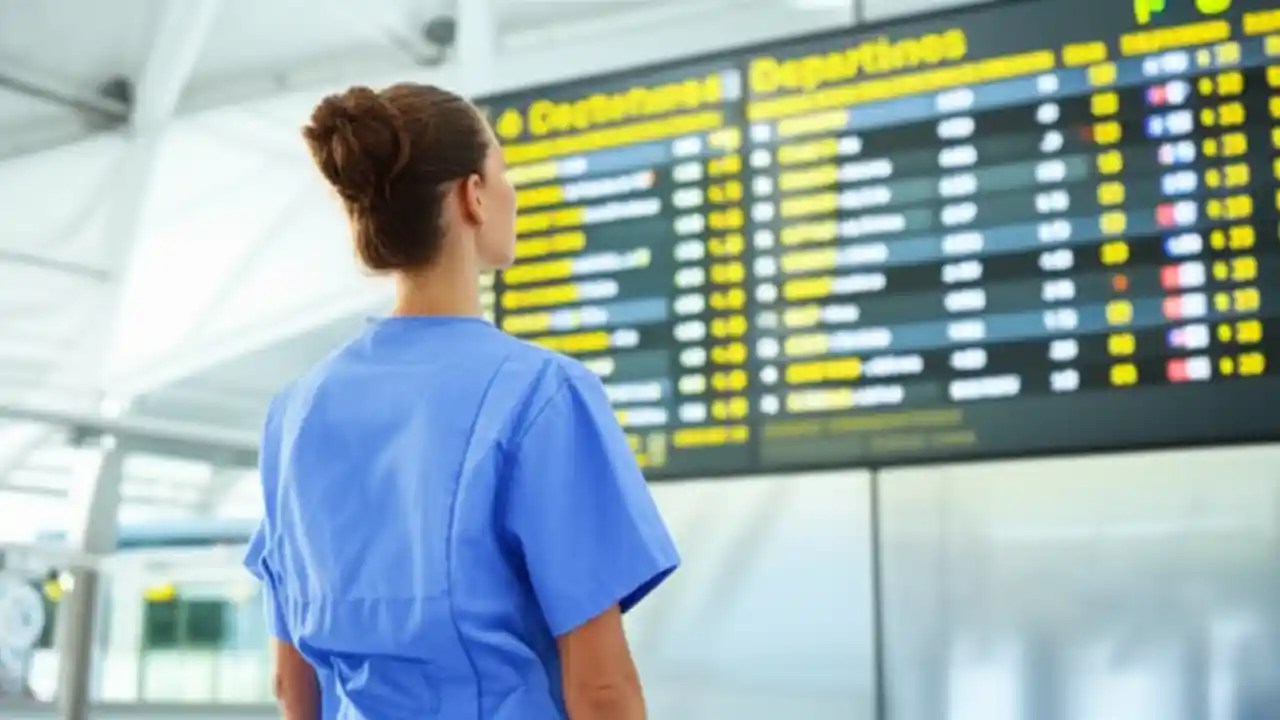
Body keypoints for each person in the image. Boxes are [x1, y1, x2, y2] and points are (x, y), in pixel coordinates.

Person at [242, 82, 680, 719]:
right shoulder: (541, 397)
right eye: (503, 170)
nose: (511, 192)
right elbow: (601, 692)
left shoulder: (295, 414)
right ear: (473, 195)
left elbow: (292, 685)